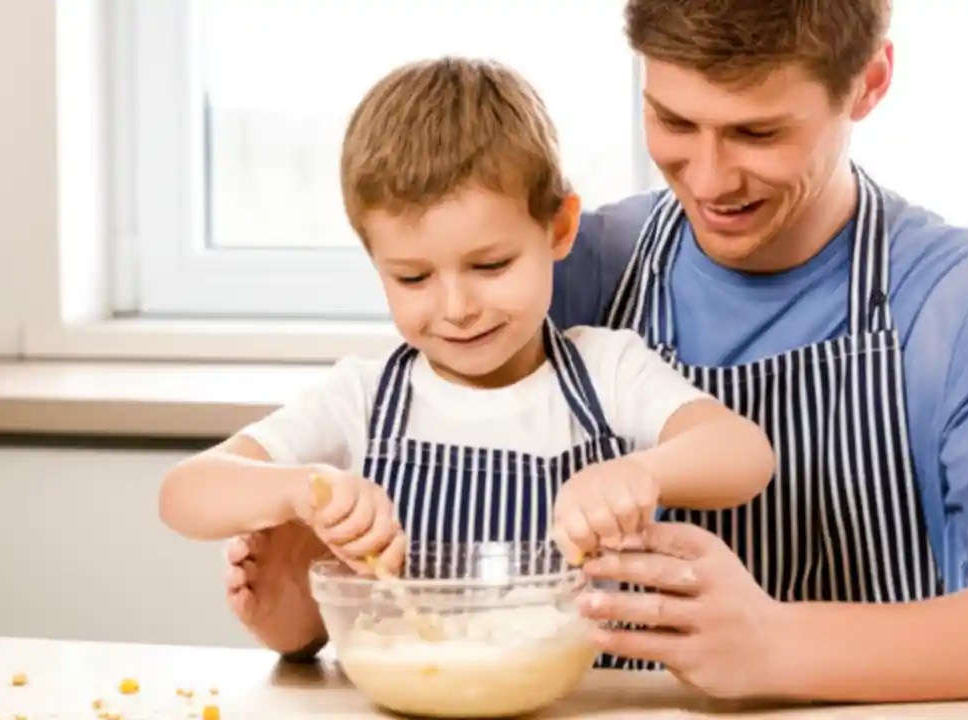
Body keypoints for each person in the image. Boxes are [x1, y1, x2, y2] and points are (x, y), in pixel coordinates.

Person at [225, 0, 968, 702]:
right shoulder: (566, 272)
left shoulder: (962, 298)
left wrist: (773, 643)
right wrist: (306, 580)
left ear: (869, 83)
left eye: (758, 133)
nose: (708, 176)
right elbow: (415, 562)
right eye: (673, 120)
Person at [165, 56, 776, 664]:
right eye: (412, 277)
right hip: (415, 696)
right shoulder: (362, 397)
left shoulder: (607, 370)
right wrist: (302, 491)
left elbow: (744, 454)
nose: (456, 308)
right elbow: (184, 494)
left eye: (490, 267)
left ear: (559, 228)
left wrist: (643, 474)